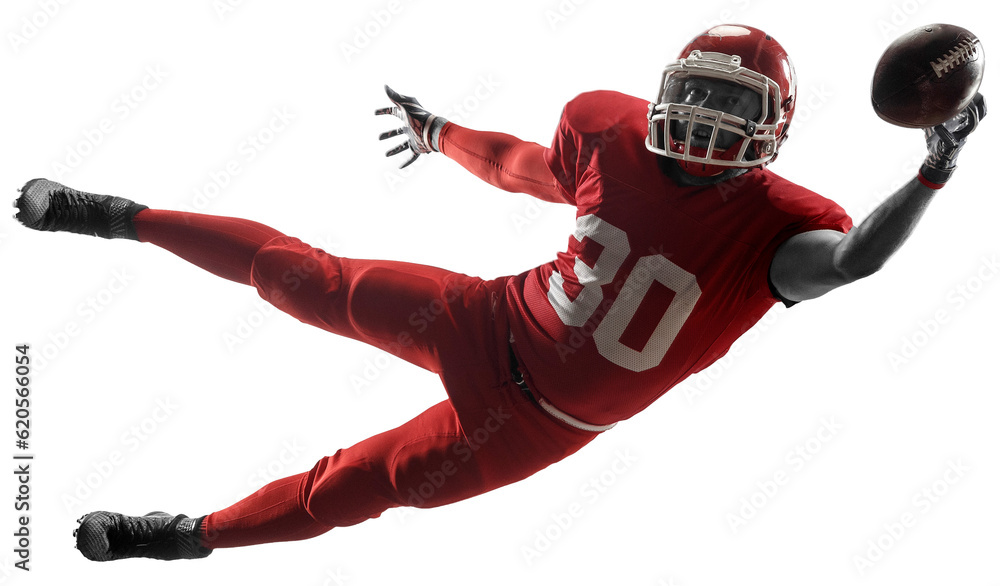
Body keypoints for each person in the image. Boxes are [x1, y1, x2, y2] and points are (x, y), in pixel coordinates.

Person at [14, 24, 985, 562]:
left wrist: (932, 174)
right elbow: (529, 167)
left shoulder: (779, 224)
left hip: (537, 423)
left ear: (772, 130)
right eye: (697, 89)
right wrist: (441, 136)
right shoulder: (606, 133)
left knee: (353, 485)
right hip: (487, 316)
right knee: (303, 277)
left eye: (732, 105)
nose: (701, 114)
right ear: (663, 85)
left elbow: (855, 258)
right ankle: (116, 214)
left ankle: (185, 536)